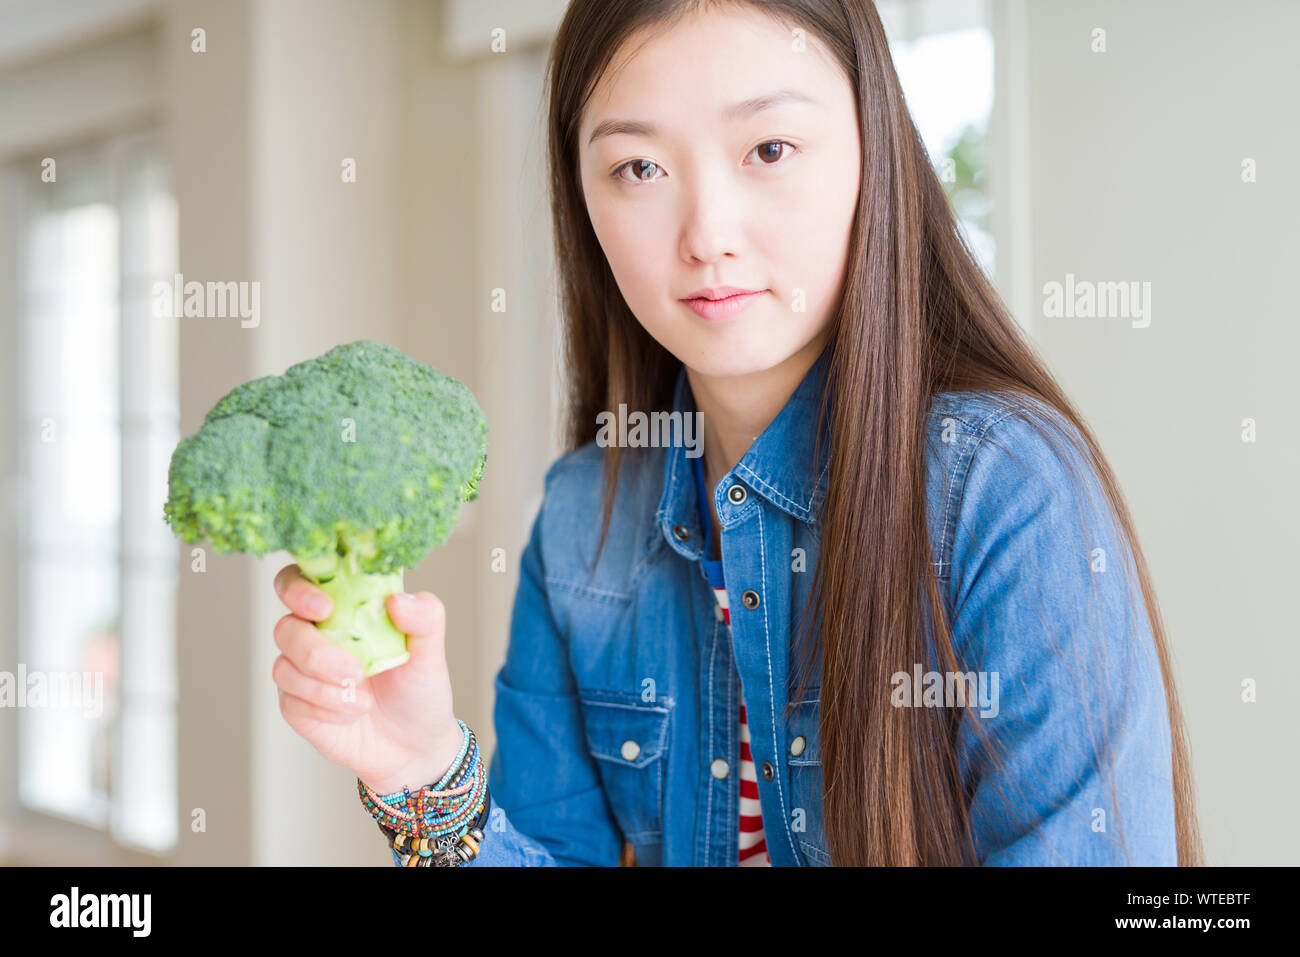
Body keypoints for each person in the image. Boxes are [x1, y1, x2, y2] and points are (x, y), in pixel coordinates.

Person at [272, 0, 1202, 867]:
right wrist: (422, 770)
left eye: (768, 147)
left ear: (875, 150)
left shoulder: (1003, 490)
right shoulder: (580, 519)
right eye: (639, 168)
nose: (707, 232)